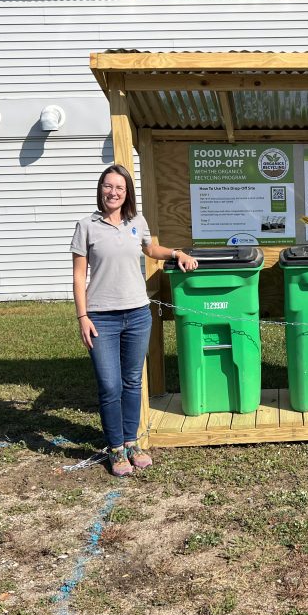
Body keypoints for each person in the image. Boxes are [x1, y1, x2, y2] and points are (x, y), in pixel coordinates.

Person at [70, 164, 198, 476]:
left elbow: (151, 248)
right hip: (101, 318)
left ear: (127, 192)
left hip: (138, 314)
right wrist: (82, 316)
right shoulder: (86, 226)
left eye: (119, 187)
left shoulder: (136, 221)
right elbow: (78, 276)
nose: (113, 192)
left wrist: (177, 254)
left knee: (132, 382)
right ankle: (115, 448)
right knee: (109, 385)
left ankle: (131, 443)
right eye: (108, 186)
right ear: (100, 189)